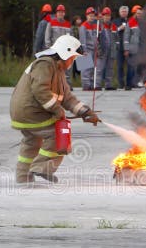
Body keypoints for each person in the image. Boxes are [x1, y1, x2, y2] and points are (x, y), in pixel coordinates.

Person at [9, 34, 99, 183]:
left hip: (27, 112)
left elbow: (67, 98)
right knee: (60, 137)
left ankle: (23, 178)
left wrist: (85, 112)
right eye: (73, 57)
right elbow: (40, 90)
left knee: (32, 144)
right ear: (66, 52)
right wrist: (57, 110)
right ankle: (41, 168)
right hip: (31, 112)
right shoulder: (45, 64)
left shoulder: (57, 69)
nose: (73, 61)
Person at [79, 7, 99, 90]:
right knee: (85, 68)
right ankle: (85, 85)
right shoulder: (83, 26)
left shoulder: (95, 25)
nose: (91, 17)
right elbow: (82, 40)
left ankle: (91, 84)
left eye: (93, 16)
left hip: (94, 49)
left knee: (92, 68)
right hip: (86, 50)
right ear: (87, 16)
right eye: (90, 15)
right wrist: (83, 50)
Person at [97, 7, 117, 89]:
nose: (107, 17)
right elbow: (97, 39)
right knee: (99, 68)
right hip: (102, 50)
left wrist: (116, 48)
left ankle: (108, 85)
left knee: (110, 68)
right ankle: (97, 85)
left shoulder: (113, 26)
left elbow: (117, 38)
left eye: (108, 15)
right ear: (102, 16)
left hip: (111, 50)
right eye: (105, 15)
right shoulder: (99, 26)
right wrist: (98, 49)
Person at [125, 5, 144, 90]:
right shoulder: (131, 22)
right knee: (131, 67)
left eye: (141, 14)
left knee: (137, 67)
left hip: (141, 49)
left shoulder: (143, 23)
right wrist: (126, 48)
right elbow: (126, 36)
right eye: (138, 13)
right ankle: (128, 84)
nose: (139, 15)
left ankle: (134, 83)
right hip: (132, 48)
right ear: (135, 14)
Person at [114, 5, 131, 88]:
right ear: (119, 12)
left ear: (128, 13)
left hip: (128, 47)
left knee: (130, 66)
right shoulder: (115, 21)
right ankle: (121, 83)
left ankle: (129, 83)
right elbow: (112, 31)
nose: (124, 13)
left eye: (125, 12)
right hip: (119, 47)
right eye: (122, 12)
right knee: (120, 66)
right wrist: (119, 28)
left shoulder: (130, 21)